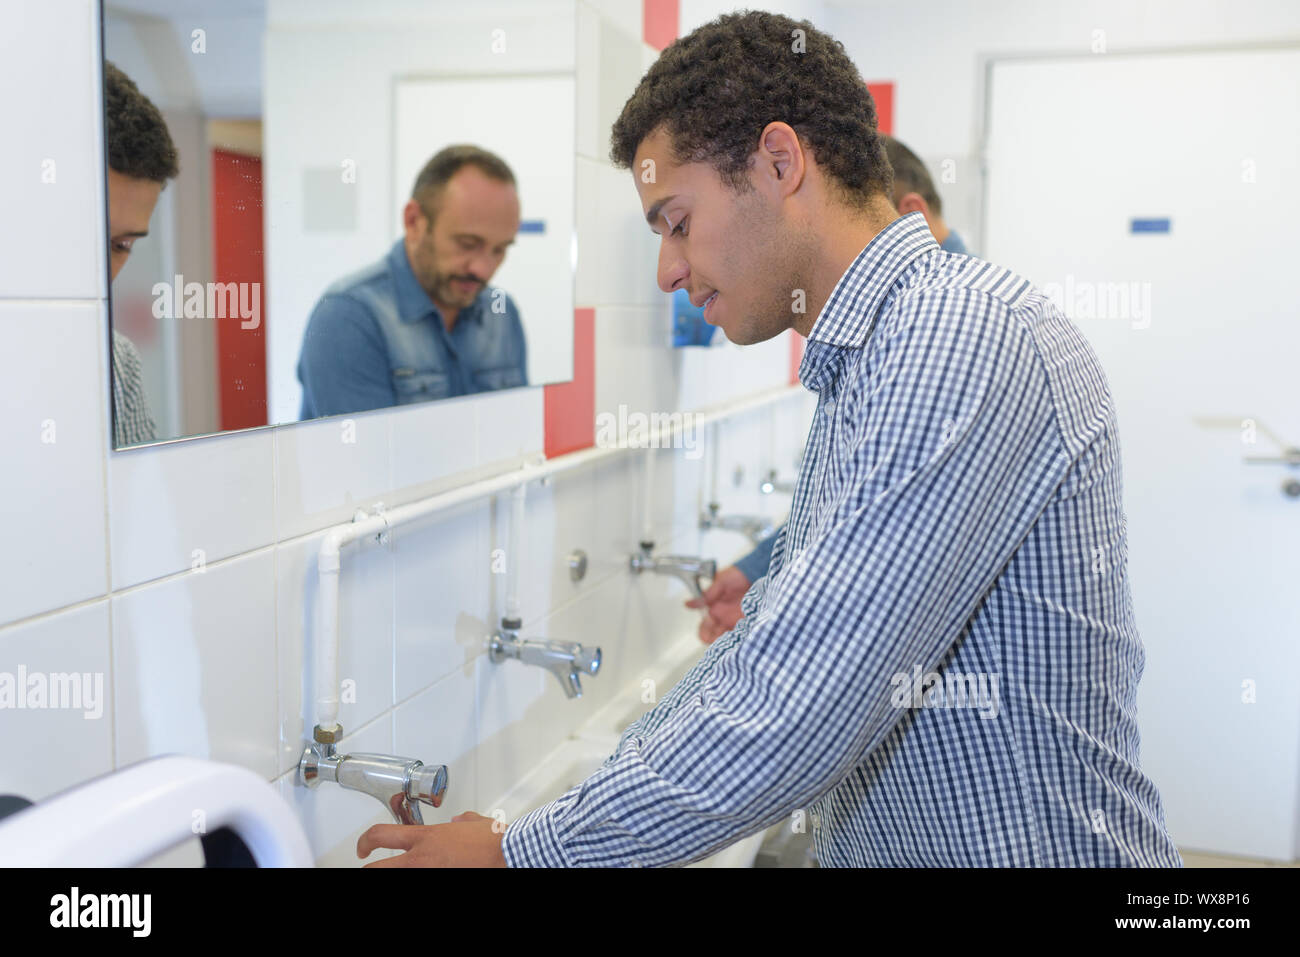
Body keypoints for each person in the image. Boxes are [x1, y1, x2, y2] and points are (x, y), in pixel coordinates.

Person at [356, 11, 1180, 868]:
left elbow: (802, 702)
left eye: (677, 220)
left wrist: (520, 854)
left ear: (780, 163)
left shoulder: (954, 333)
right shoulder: (871, 356)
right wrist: (527, 830)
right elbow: (778, 647)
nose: (668, 271)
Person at [691, 134, 970, 643]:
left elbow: (857, 626)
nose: (673, 270)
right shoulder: (884, 334)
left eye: (682, 225)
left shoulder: (943, 332)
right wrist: (760, 570)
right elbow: (862, 515)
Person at [296, 145, 528, 418]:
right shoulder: (348, 316)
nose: (483, 269)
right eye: (467, 244)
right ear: (413, 221)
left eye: (499, 249)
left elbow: (517, 436)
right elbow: (362, 458)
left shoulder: (501, 312)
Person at [104, 60, 176, 447]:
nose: (100, 271)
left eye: (121, 246)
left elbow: (138, 505)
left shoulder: (119, 365)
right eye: (86, 236)